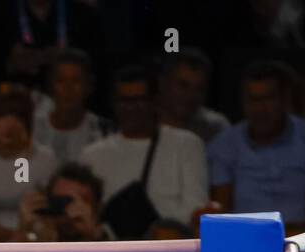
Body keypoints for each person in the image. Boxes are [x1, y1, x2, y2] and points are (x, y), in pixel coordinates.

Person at [208, 59, 305, 223]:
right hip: (246, 238)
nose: (260, 109)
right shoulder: (223, 145)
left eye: (268, 98)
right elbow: (221, 208)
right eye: (253, 100)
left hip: (301, 237)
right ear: (242, 102)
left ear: (285, 99)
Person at [78, 65, 208, 233]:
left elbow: (195, 211)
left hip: (168, 249)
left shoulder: (187, 145)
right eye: (124, 101)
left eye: (139, 100)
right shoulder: (91, 155)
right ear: (113, 103)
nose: (131, 108)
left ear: (155, 101)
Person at [0, 82, 58, 229]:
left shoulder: (45, 158)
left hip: (33, 237)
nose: (10, 125)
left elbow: (51, 217)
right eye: (2, 116)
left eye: (17, 118)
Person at [33, 48, 108, 164]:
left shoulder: (104, 130)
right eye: (61, 81)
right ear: (51, 86)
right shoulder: (31, 130)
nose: (68, 89)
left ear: (88, 86)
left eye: (76, 81)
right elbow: (20, 178)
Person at [155, 49, 230, 145]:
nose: (190, 95)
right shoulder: (140, 121)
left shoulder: (216, 127)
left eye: (200, 88)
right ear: (162, 83)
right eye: (182, 85)